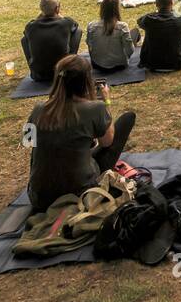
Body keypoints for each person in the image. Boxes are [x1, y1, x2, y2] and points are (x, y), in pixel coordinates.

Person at [26, 55, 136, 211]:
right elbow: (107, 142)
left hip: (39, 198)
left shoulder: (38, 109)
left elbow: (27, 142)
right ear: (86, 80)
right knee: (127, 119)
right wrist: (106, 103)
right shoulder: (95, 108)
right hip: (79, 195)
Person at [21, 0, 81, 85]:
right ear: (57, 9)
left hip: (39, 75)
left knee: (25, 39)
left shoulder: (30, 27)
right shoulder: (66, 23)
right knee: (77, 32)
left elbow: (28, 33)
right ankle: (70, 64)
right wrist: (58, 15)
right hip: (63, 73)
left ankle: (34, 68)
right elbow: (75, 26)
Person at [85, 0, 139, 72]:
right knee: (135, 32)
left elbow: (90, 47)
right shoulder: (122, 26)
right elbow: (130, 51)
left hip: (97, 65)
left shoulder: (91, 26)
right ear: (117, 10)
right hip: (120, 65)